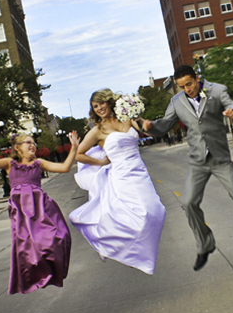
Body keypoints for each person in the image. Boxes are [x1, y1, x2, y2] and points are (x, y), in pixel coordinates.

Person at [142, 65, 233, 271]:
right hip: (198, 161)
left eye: (189, 84)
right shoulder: (176, 102)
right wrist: (151, 126)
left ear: (197, 78)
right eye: (182, 87)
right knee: (189, 203)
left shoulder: (216, 90)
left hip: (220, 158)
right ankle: (205, 244)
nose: (187, 89)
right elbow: (164, 125)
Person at [69, 89, 166, 275]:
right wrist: (99, 162)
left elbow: (145, 129)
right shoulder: (98, 130)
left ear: (109, 102)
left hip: (139, 170)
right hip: (121, 175)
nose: (98, 109)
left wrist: (143, 121)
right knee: (141, 213)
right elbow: (77, 154)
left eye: (100, 104)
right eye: (94, 107)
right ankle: (128, 253)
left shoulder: (127, 118)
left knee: (157, 211)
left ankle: (127, 251)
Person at [0, 131, 80, 294]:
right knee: (28, 245)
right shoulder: (10, 163)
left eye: (34, 143)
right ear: (17, 148)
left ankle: (53, 270)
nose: (32, 145)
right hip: (22, 210)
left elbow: (65, 168)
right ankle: (34, 276)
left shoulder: (39, 163)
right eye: (28, 142)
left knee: (60, 237)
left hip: (41, 207)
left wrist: (74, 147)